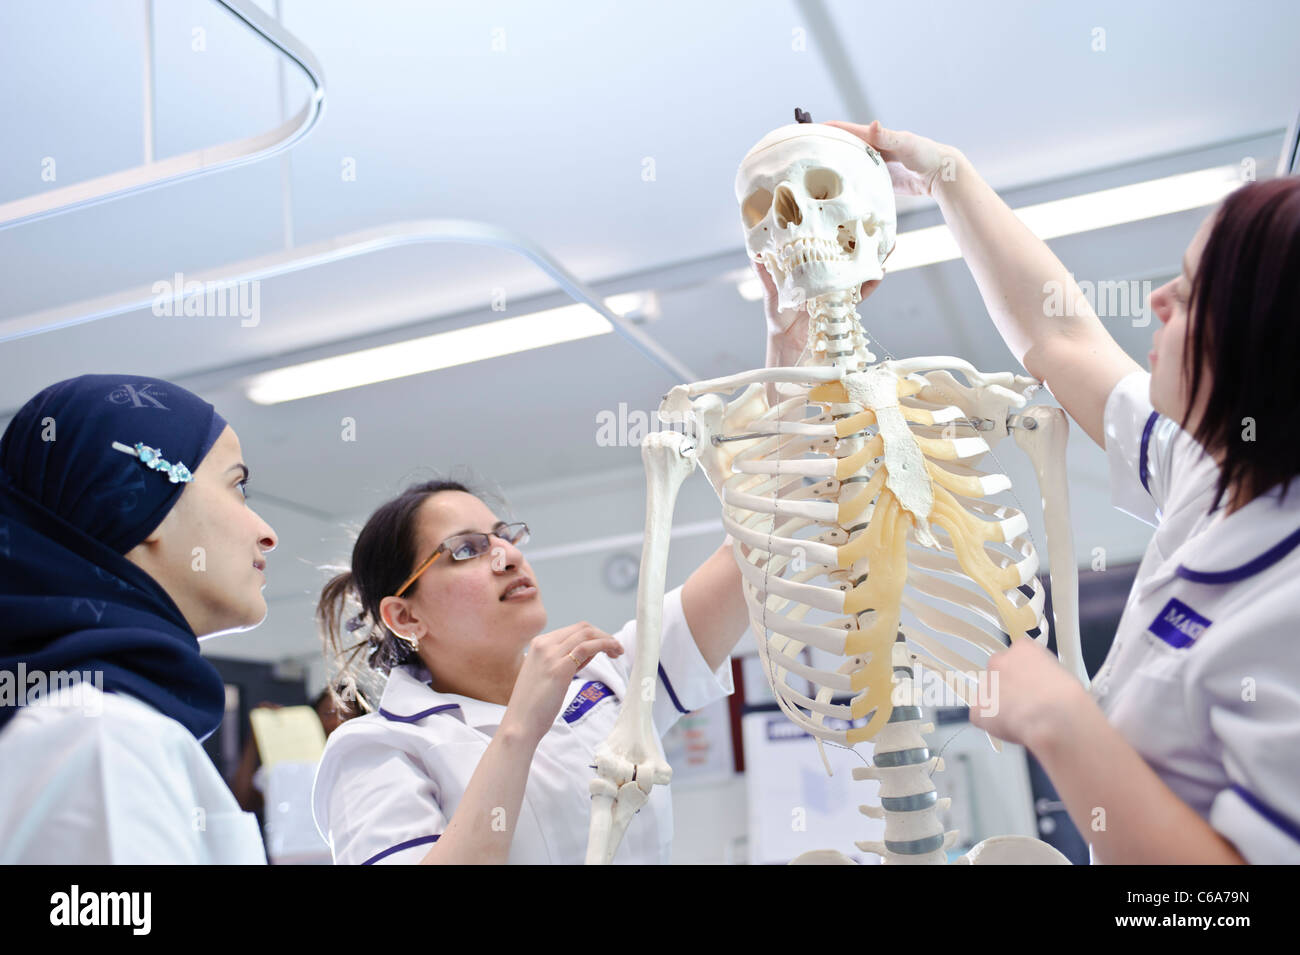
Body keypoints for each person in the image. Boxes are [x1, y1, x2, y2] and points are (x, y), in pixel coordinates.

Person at [821, 120, 1300, 864]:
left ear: (1263, 338)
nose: (1159, 299)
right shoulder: (1214, 466)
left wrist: (1063, 724)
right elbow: (1059, 337)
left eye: (1194, 290)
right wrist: (946, 172)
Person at [310, 478, 754, 864]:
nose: (507, 555)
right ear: (405, 617)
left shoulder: (607, 676)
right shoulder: (375, 750)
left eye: (504, 536)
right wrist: (520, 727)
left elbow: (753, 550)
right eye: (466, 549)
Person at [0, 374, 279, 863]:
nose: (267, 533)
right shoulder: (101, 737)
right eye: (238, 487)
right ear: (145, 503)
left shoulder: (100, 723)